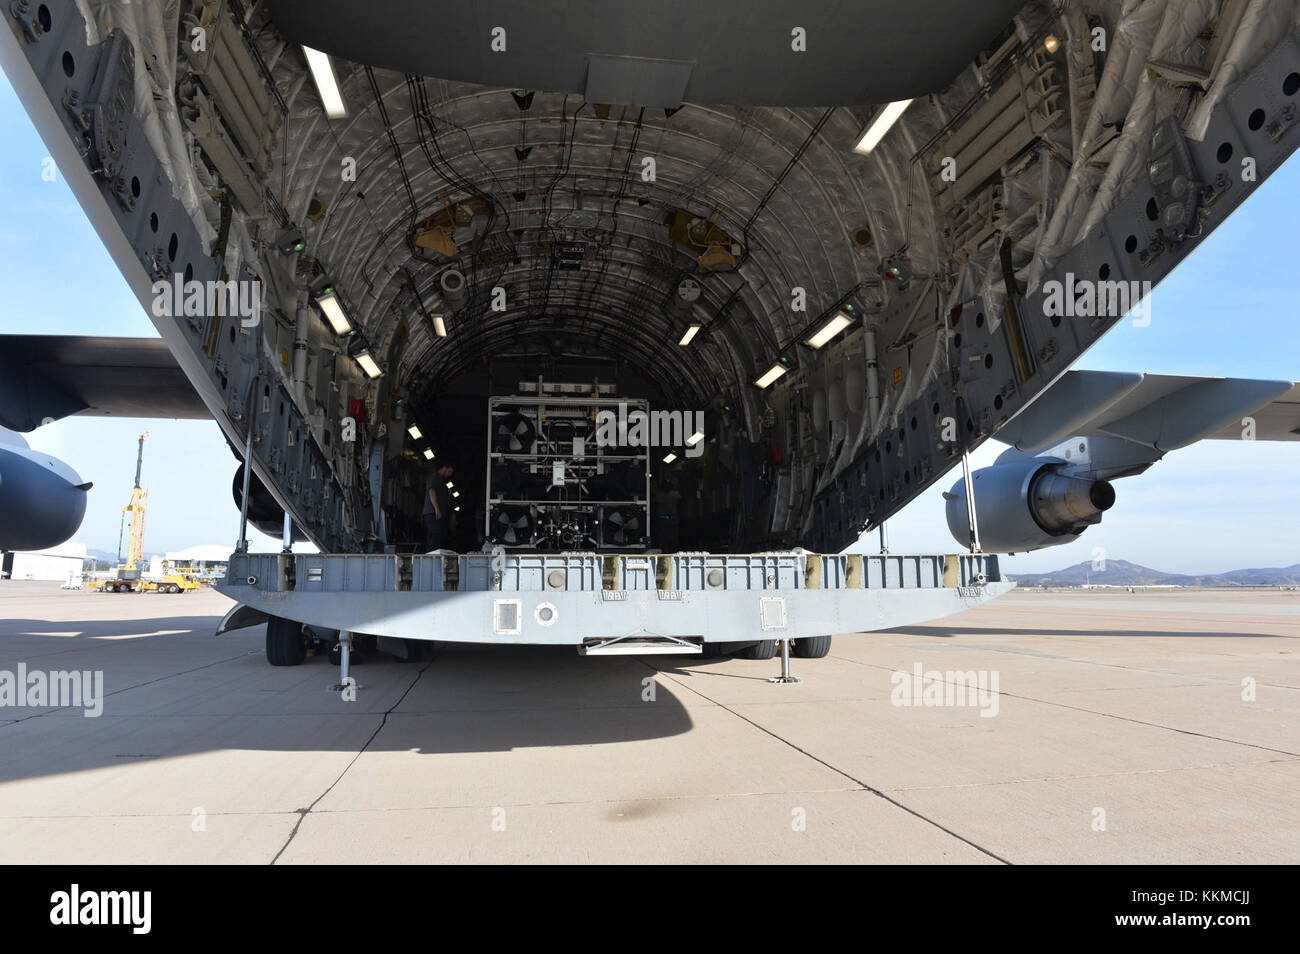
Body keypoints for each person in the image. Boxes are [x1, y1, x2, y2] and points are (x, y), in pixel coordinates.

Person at [422, 462, 455, 552]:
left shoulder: (440, 480)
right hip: (433, 513)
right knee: (434, 537)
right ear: (444, 468)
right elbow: (431, 492)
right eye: (449, 471)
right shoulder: (434, 478)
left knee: (437, 537)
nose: (450, 475)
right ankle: (431, 558)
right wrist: (437, 509)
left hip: (436, 513)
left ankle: (433, 557)